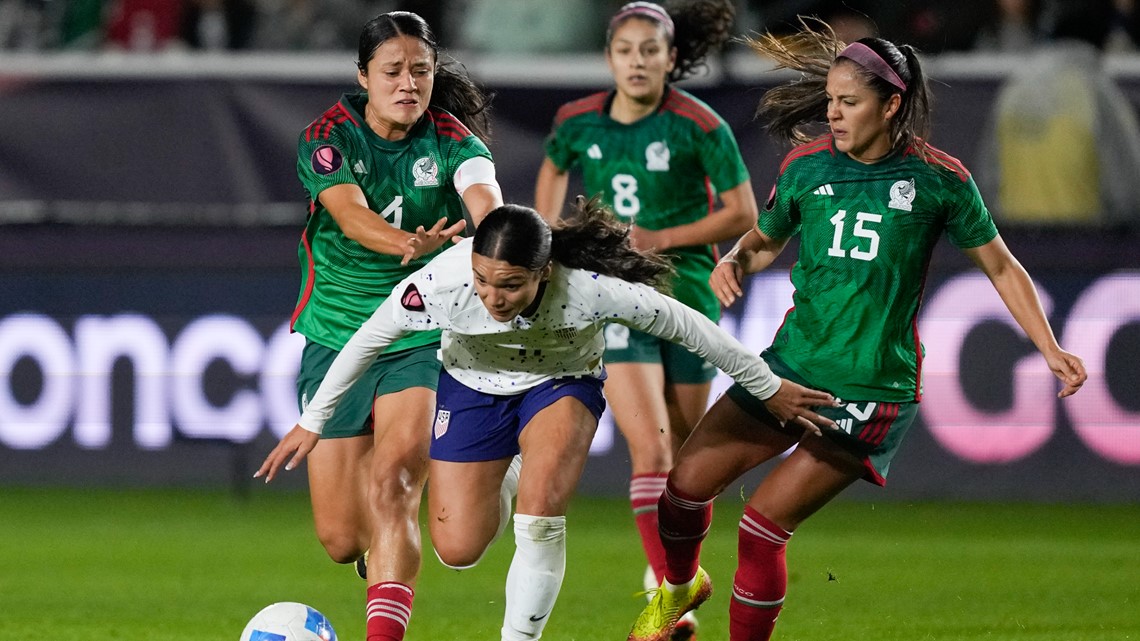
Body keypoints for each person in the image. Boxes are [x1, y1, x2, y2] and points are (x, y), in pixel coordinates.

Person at [626, 18, 1088, 641]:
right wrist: (736, 260)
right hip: (787, 368)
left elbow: (1001, 265)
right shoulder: (806, 168)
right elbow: (763, 240)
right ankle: (680, 590)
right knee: (680, 492)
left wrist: (1049, 345)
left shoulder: (938, 179)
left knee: (761, 529)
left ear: (891, 104)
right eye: (831, 102)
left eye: (849, 103)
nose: (834, 116)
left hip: (869, 387)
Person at [257, 200, 840, 641]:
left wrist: (767, 389)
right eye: (483, 279)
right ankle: (510, 472)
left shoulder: (586, 289)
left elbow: (689, 326)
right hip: (471, 389)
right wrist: (314, 420)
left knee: (540, 516)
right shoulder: (441, 284)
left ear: (543, 272)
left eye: (509, 284)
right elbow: (367, 340)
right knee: (457, 548)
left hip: (560, 386)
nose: (491, 296)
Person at [533, 5, 758, 633]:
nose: (638, 61)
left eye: (650, 50)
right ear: (610, 58)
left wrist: (666, 236)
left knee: (686, 456)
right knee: (651, 446)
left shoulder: (698, 125)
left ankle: (669, 570)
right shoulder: (577, 120)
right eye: (626, 50)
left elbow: (741, 211)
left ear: (668, 56)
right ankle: (668, 590)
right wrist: (550, 235)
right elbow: (552, 165)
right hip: (615, 293)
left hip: (687, 294)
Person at [282, 11, 502, 641]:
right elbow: (350, 216)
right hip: (338, 333)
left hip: (419, 329)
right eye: (393, 71)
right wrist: (409, 242)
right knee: (341, 536)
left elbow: (484, 197)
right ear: (363, 77)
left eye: (421, 71)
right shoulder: (328, 137)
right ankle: (377, 551)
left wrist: (496, 232)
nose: (409, 83)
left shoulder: (456, 141)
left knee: (396, 483)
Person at [976, 0, 1140, 225]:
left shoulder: (1013, 90)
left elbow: (987, 182)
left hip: (1016, 249)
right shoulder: (1096, 91)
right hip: (1083, 249)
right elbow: (1129, 193)